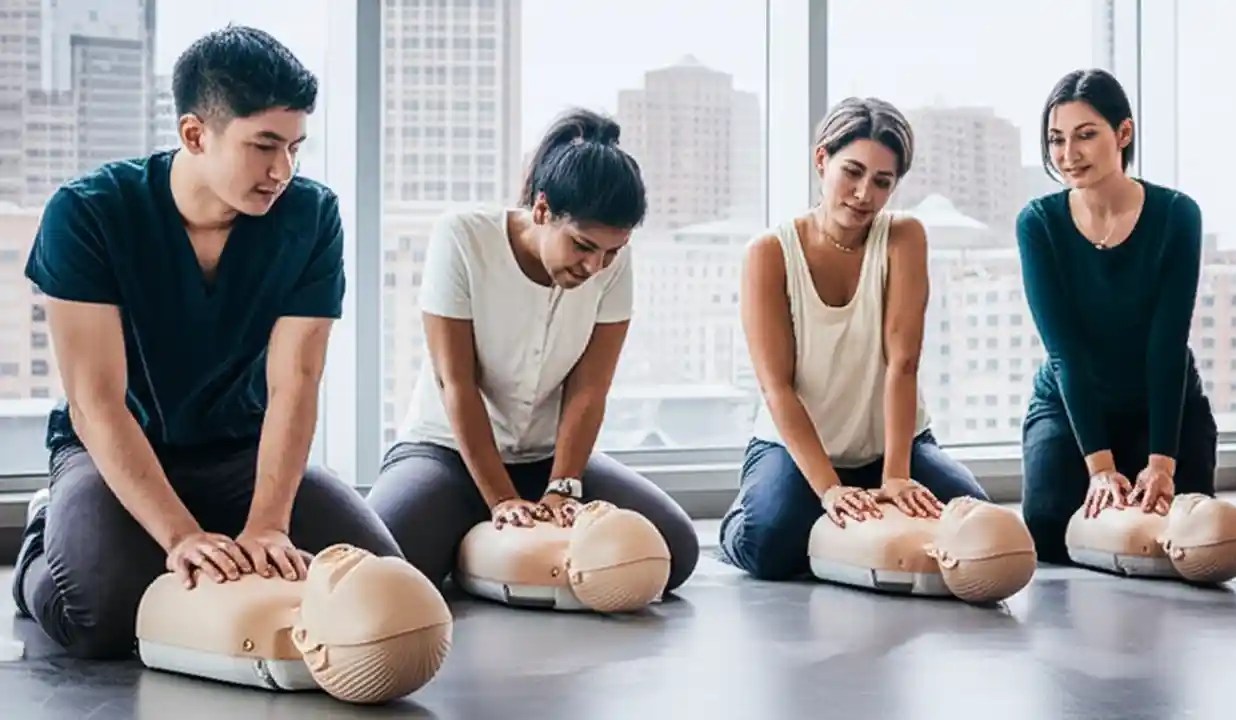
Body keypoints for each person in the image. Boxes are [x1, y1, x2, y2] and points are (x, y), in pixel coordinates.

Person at [10, 26, 401, 659]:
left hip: (238, 451)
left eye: (296, 147)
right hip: (111, 452)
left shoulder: (311, 217)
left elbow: (294, 383)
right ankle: (44, 531)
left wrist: (269, 523)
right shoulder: (87, 214)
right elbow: (96, 402)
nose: (283, 170)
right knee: (99, 616)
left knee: (379, 586)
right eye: (264, 145)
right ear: (196, 134)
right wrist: (181, 536)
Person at [366, 109, 700, 594]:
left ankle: (489, 546)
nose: (595, 266)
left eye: (610, 252)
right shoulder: (463, 237)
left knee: (675, 551)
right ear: (542, 210)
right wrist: (501, 498)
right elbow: (454, 382)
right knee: (384, 568)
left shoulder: (611, 265)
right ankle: (477, 538)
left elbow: (589, 390)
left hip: (547, 458)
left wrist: (564, 486)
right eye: (583, 246)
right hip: (446, 451)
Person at [718, 97, 990, 582]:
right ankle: (748, 515)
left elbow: (902, 363)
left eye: (882, 182)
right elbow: (776, 387)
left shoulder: (904, 238)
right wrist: (829, 490)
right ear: (822, 160)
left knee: (978, 526)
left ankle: (860, 505)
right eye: (853, 172)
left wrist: (897, 476)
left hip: (890, 444)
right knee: (769, 546)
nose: (864, 193)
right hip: (795, 445)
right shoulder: (769, 253)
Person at [1017, 68, 1216, 564]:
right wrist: (1101, 468)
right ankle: (1112, 496)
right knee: (1046, 528)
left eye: (1086, 135)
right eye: (1056, 140)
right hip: (1071, 406)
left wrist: (1162, 463)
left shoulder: (1177, 216)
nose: (1068, 155)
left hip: (1161, 404)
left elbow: (1167, 344)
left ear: (1123, 134)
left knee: (1194, 533)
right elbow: (1066, 354)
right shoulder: (1039, 223)